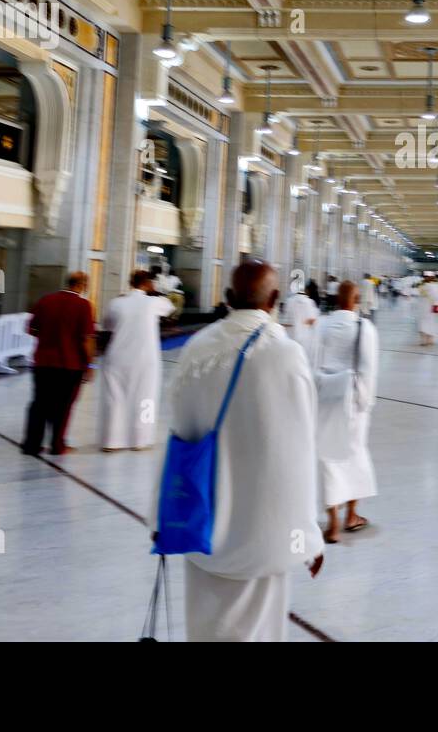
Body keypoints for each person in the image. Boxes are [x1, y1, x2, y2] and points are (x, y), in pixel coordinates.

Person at [165, 259, 324, 641]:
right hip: (261, 528)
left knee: (206, 624)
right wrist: (307, 534)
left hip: (200, 522)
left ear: (228, 298)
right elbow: (300, 451)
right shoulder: (285, 354)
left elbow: (178, 435)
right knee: (259, 628)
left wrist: (163, 518)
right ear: (273, 299)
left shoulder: (195, 349)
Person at [312, 281, 379, 544]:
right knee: (354, 452)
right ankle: (351, 515)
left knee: (328, 456)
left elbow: (311, 360)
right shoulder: (365, 328)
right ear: (357, 300)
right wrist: (365, 402)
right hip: (351, 399)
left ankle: (332, 525)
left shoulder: (321, 324)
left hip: (324, 396)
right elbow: (368, 367)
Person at [98, 269, 175, 452]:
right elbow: (170, 308)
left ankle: (112, 441)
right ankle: (141, 439)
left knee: (115, 398)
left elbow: (107, 324)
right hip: (144, 359)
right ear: (148, 283)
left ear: (130, 282)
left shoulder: (116, 303)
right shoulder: (154, 302)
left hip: (117, 357)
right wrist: (154, 292)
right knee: (145, 399)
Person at [22, 271, 96, 456]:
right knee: (63, 406)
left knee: (39, 404)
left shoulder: (46, 300)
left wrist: (48, 338)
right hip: (70, 364)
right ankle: (57, 445)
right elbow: (86, 339)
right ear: (82, 285)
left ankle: (32, 445)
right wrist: (89, 364)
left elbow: (32, 329)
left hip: (43, 362)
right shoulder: (83, 305)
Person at [280, 277, 321, 358]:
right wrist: (303, 323)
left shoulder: (289, 301)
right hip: (306, 341)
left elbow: (285, 323)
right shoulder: (310, 302)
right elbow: (313, 322)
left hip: (291, 340)